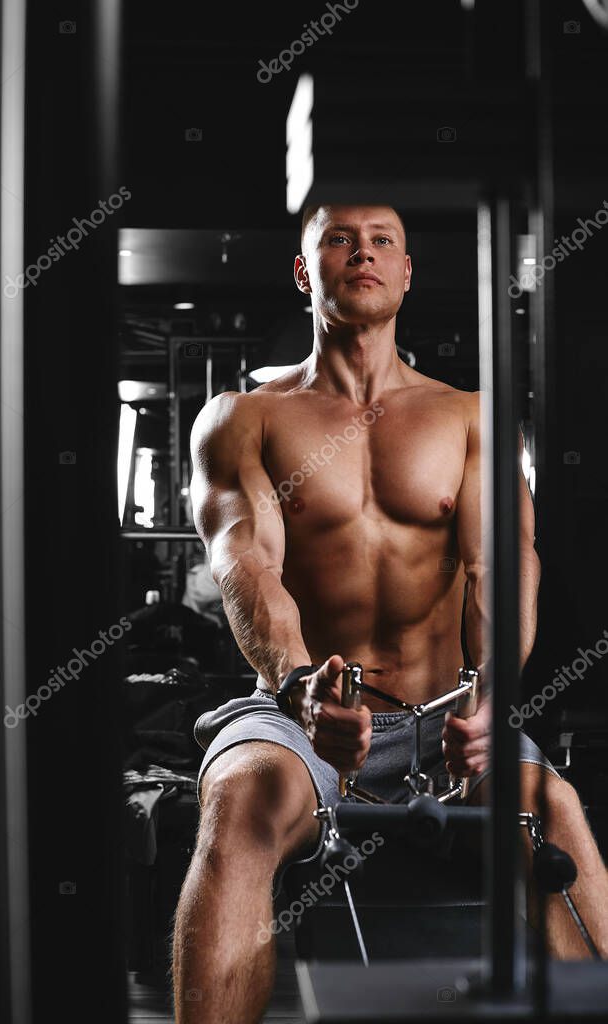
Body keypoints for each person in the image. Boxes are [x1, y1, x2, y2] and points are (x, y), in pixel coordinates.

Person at [172, 204, 608, 1024]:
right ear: (305, 272)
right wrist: (299, 685)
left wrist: (493, 696)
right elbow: (248, 561)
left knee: (552, 811)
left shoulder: (469, 416)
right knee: (240, 808)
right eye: (337, 240)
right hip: (299, 716)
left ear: (407, 272)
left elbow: (500, 566)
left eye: (381, 242)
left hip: (447, 713)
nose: (360, 254)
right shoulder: (244, 419)